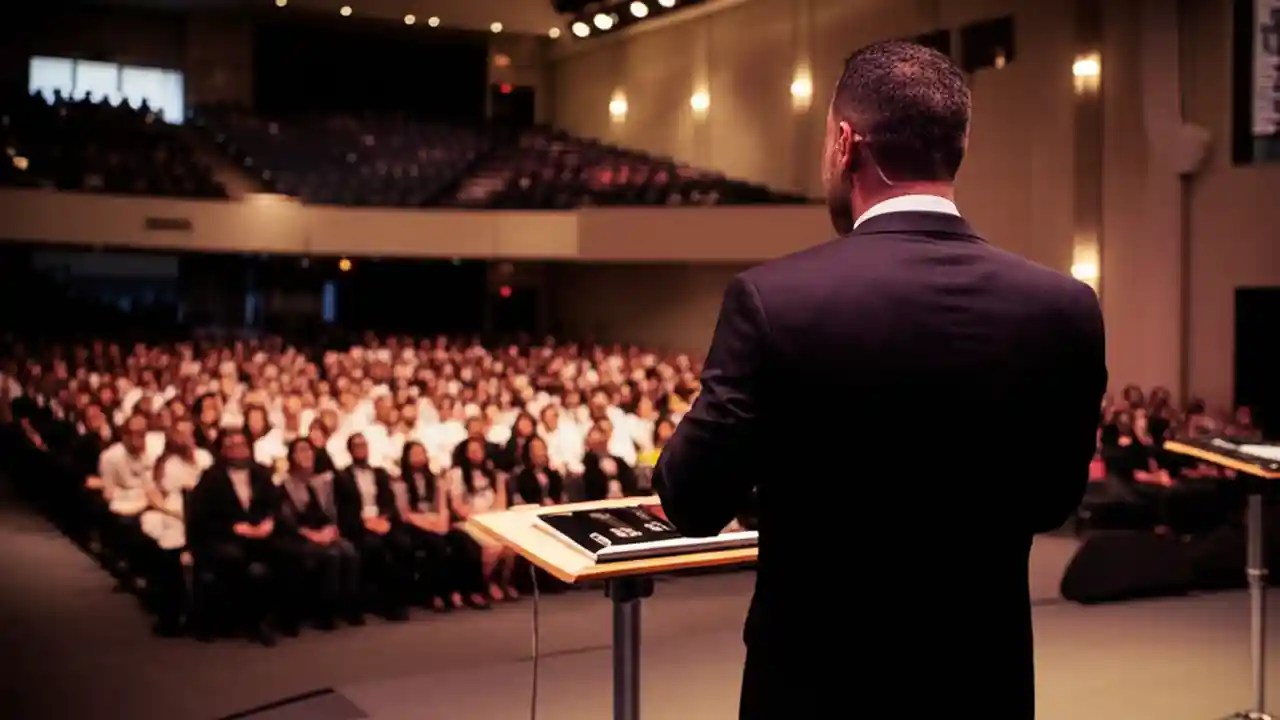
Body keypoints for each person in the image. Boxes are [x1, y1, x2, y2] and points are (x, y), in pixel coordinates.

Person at [653, 41, 1107, 720]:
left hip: (816, 684)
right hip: (980, 680)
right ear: (961, 146)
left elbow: (689, 499)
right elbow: (1050, 501)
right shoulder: (1063, 306)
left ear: (844, 143)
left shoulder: (774, 299)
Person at [185, 430, 279, 645]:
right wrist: (234, 527)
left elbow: (274, 504)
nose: (238, 449)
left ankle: (267, 619)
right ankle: (246, 620)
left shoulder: (261, 473)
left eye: (242, 445)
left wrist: (269, 522)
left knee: (282, 551)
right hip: (222, 536)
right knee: (236, 557)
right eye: (232, 446)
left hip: (258, 533)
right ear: (224, 450)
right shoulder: (211, 478)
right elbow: (201, 517)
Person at [274, 438, 362, 633]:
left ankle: (347, 608)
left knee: (349, 551)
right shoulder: (284, 485)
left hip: (319, 533)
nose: (307, 455)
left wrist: (330, 529)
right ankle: (324, 613)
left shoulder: (314, 483)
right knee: (331, 555)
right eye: (301, 451)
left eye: (309, 451)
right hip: (294, 537)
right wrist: (313, 535)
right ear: (292, 457)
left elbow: (323, 515)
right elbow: (287, 522)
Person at [334, 433, 412, 621]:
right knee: (374, 547)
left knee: (403, 544)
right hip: (358, 525)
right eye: (356, 446)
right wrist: (366, 523)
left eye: (364, 445)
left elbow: (388, 500)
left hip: (381, 521)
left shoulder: (380, 473)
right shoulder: (342, 477)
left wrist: (384, 519)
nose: (361, 448)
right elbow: (344, 509)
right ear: (350, 450)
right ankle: (379, 603)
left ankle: (398, 601)